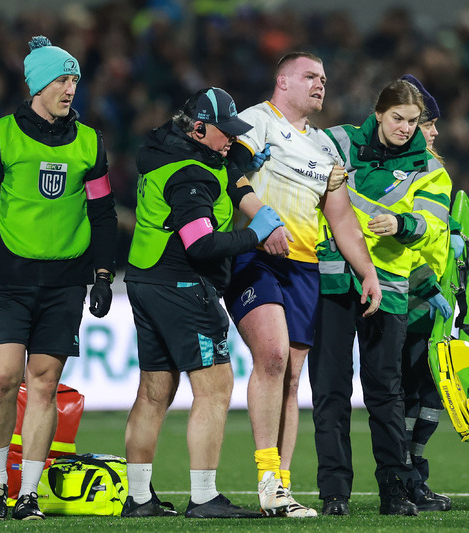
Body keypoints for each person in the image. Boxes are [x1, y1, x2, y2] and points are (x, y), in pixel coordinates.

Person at [0, 36, 117, 521]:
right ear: (39, 85)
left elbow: (103, 213)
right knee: (4, 379)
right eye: (62, 80)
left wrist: (103, 275)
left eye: (74, 80)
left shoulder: (90, 142)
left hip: (65, 282)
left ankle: (27, 493)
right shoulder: (0, 135)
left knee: (44, 385)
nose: (71, 89)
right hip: (5, 279)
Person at [224, 51, 382, 517]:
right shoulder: (256, 121)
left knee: (292, 378)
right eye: (310, 76)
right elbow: (231, 174)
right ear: (283, 81)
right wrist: (264, 221)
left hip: (304, 267)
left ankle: (282, 487)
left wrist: (368, 271)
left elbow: (343, 221)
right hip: (256, 255)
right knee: (272, 357)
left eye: (324, 79)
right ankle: (267, 478)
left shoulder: (325, 150)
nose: (320, 84)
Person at [122, 87, 285, 519]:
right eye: (224, 131)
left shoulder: (165, 153)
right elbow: (200, 244)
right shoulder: (191, 176)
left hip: (145, 279)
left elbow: (220, 167)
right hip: (182, 285)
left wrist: (238, 164)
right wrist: (254, 235)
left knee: (153, 392)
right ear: (198, 129)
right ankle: (204, 497)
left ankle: (139, 499)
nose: (232, 139)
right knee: (215, 388)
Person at [308, 77, 452, 516]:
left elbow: (434, 225)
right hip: (333, 281)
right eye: (397, 118)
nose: (405, 128)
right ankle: (335, 494)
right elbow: (294, 157)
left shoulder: (430, 169)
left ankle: (394, 490)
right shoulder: (339, 142)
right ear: (378, 114)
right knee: (330, 391)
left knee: (385, 394)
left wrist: (403, 225)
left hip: (388, 289)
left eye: (412, 121)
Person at [398, 73, 460, 512]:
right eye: (428, 123)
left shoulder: (433, 169)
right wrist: (423, 282)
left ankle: (416, 472)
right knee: (408, 394)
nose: (435, 132)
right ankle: (405, 478)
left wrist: (454, 231)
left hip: (433, 301)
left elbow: (434, 226)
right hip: (407, 297)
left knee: (430, 395)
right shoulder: (400, 174)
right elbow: (394, 238)